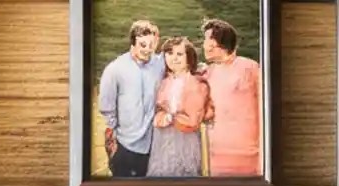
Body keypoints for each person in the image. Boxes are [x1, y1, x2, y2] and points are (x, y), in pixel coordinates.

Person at [98, 21, 166, 178]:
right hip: (124, 144)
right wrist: (113, 134)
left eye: (151, 45)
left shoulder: (160, 64)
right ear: (133, 43)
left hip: (153, 145)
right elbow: (107, 106)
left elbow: (183, 65)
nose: (148, 50)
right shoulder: (115, 69)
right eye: (143, 45)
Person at [201, 19, 262, 176]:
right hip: (216, 157)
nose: (205, 45)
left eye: (208, 39)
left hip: (250, 157)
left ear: (221, 42)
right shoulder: (207, 73)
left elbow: (268, 108)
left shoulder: (250, 68)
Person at [146, 37, 211, 177]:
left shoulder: (197, 83)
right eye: (169, 54)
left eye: (179, 54)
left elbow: (194, 119)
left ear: (189, 57)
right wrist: (162, 116)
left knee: (185, 177)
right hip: (162, 140)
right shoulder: (163, 82)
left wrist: (171, 118)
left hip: (185, 139)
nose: (173, 58)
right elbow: (157, 110)